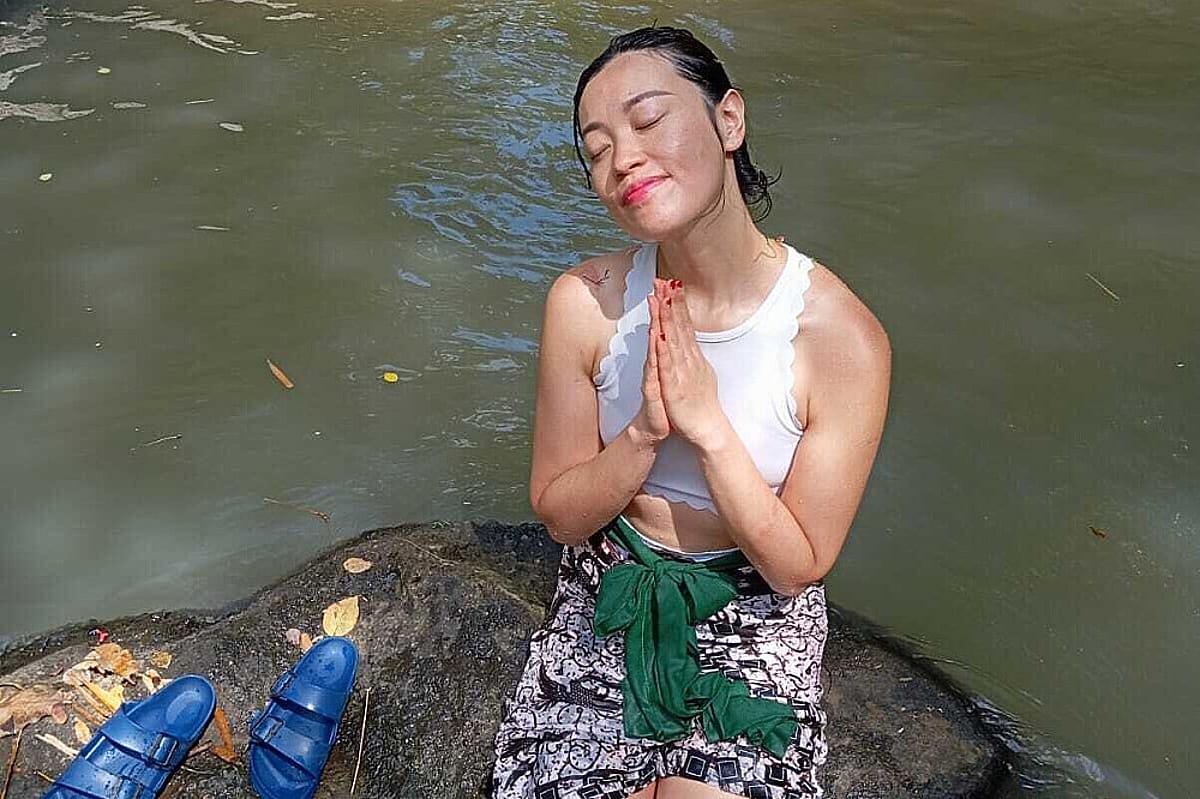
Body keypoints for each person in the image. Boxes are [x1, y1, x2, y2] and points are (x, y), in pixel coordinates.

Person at [490, 25, 891, 799]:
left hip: (756, 613)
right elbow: (562, 515)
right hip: (611, 587)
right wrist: (643, 431)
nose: (622, 161)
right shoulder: (588, 306)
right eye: (597, 148)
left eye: (647, 121)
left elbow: (795, 564)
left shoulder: (839, 338)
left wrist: (707, 426)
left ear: (729, 121)